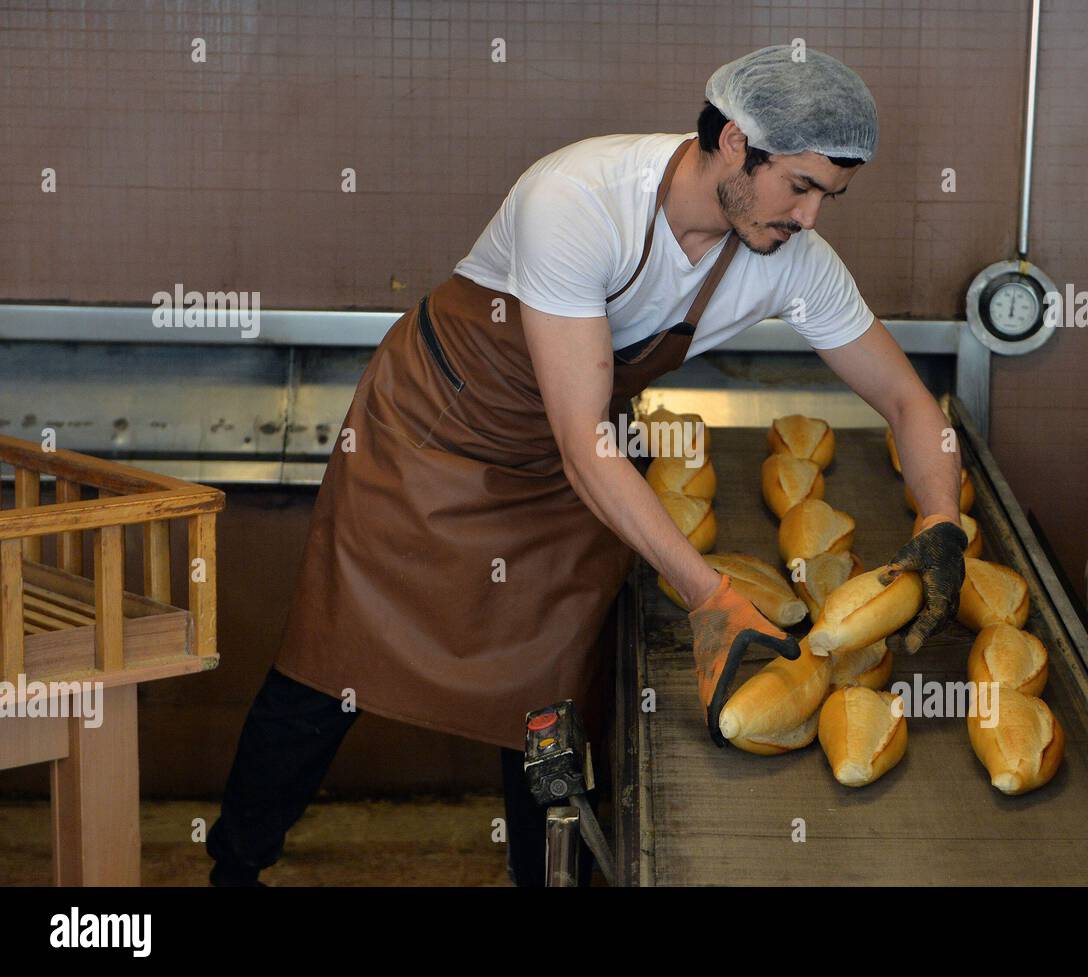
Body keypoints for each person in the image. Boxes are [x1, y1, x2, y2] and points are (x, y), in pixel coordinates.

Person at [207, 44, 966, 887]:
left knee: (550, 702)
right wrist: (710, 593)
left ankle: (547, 881)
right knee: (330, 664)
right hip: (434, 438)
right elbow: (583, 441)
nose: (812, 218)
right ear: (734, 143)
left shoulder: (790, 260)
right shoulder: (578, 199)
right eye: (800, 185)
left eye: (831, 196)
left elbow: (906, 401)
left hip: (571, 469)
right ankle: (235, 864)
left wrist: (940, 524)